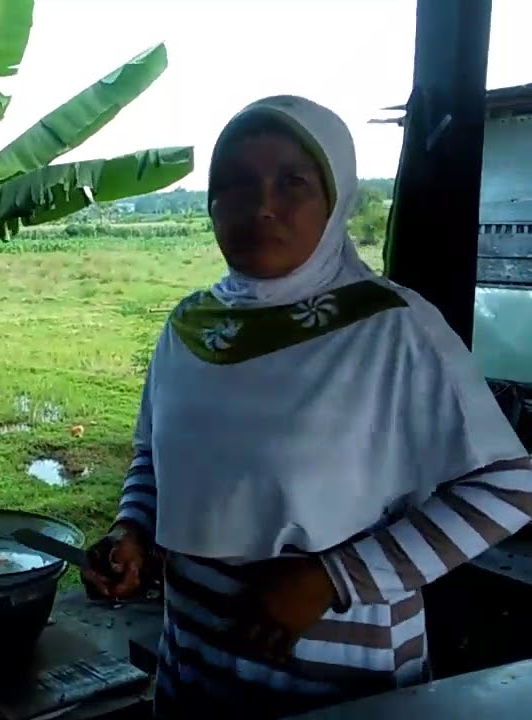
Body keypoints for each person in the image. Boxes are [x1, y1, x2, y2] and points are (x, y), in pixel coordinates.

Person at [81, 95, 532, 719]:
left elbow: (508, 487)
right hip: (194, 671)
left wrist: (333, 578)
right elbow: (152, 459)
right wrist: (131, 532)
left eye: (292, 181)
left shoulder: (391, 328)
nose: (261, 205)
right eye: (235, 183)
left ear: (336, 198)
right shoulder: (192, 327)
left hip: (345, 687)